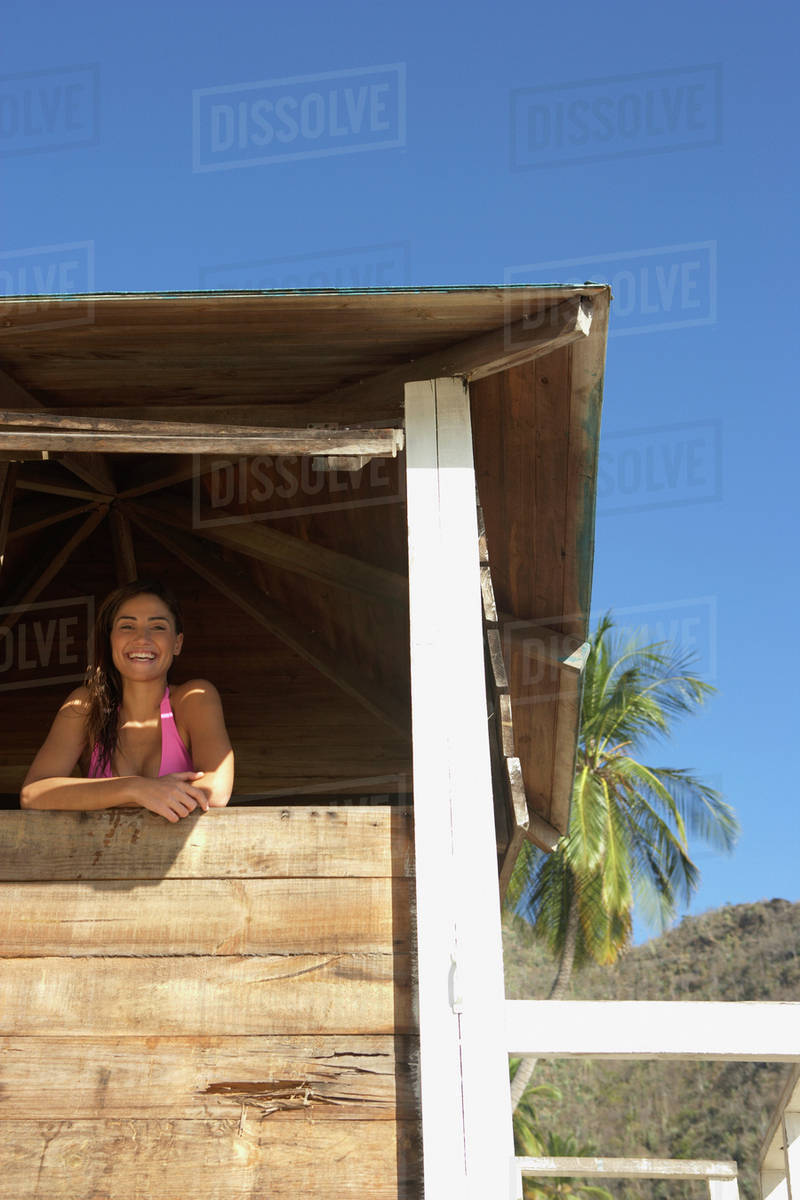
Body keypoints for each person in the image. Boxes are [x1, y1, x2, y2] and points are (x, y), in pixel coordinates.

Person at [20, 579, 234, 822]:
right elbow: (33, 793)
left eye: (158, 627)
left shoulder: (193, 699)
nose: (142, 638)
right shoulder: (85, 705)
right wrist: (135, 788)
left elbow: (215, 792)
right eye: (127, 626)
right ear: (110, 639)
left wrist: (136, 792)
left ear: (177, 643)